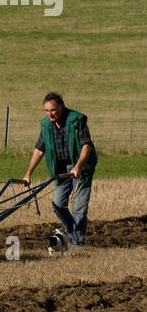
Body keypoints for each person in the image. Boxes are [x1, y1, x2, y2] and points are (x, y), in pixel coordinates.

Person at [22, 92, 97, 249]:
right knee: (58, 204)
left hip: (80, 168)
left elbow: (86, 145)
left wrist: (78, 166)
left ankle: (78, 244)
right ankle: (72, 233)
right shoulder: (46, 125)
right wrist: (28, 173)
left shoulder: (76, 120)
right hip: (60, 169)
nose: (50, 114)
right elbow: (39, 150)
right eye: (47, 111)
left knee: (79, 207)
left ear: (61, 107)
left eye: (53, 110)